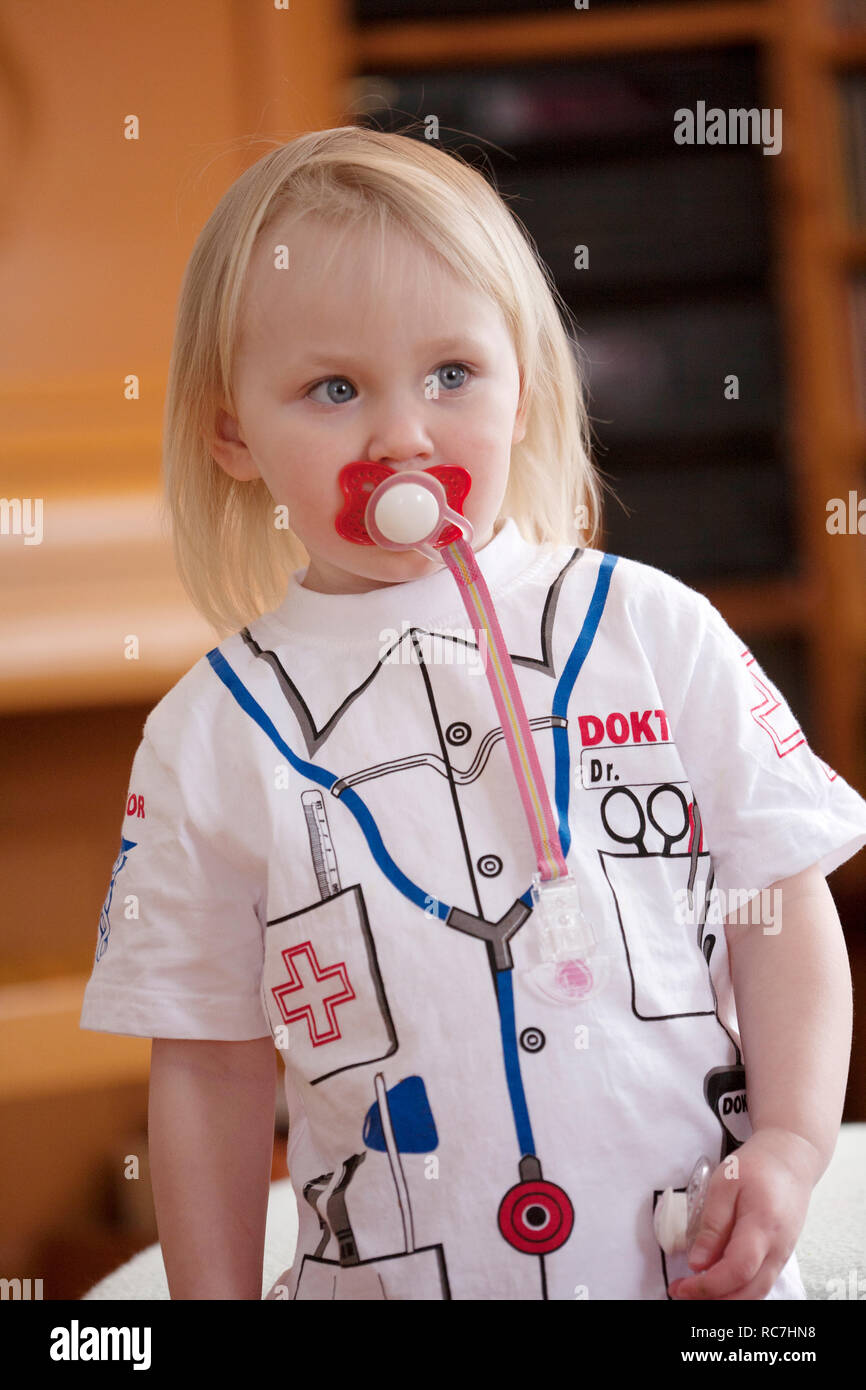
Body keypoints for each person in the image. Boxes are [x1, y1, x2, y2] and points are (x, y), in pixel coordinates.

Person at [80, 125, 866, 1301]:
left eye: (450, 375)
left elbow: (779, 901)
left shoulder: (653, 633)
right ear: (231, 429)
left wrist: (795, 1145)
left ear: (524, 385)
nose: (403, 434)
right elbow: (206, 1066)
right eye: (333, 388)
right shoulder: (209, 737)